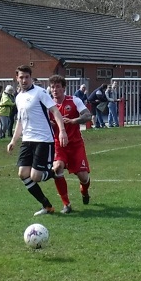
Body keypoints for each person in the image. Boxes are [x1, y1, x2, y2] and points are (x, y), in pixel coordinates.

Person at [7, 64, 68, 216]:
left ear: (31, 78)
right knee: (23, 173)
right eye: (21, 77)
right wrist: (13, 141)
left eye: (27, 77)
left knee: (36, 176)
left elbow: (54, 111)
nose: (24, 80)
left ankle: (54, 171)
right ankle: (46, 206)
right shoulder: (19, 97)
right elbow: (20, 121)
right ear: (17, 78)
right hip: (27, 140)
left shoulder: (40, 93)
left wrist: (62, 131)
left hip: (43, 140)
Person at [48, 74, 94, 212]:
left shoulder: (74, 100)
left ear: (64, 88)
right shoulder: (48, 105)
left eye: (58, 87)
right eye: (52, 87)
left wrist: (74, 121)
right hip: (58, 144)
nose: (55, 90)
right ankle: (66, 204)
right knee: (57, 168)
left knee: (83, 177)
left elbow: (88, 115)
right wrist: (51, 123)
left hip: (75, 144)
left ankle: (84, 192)